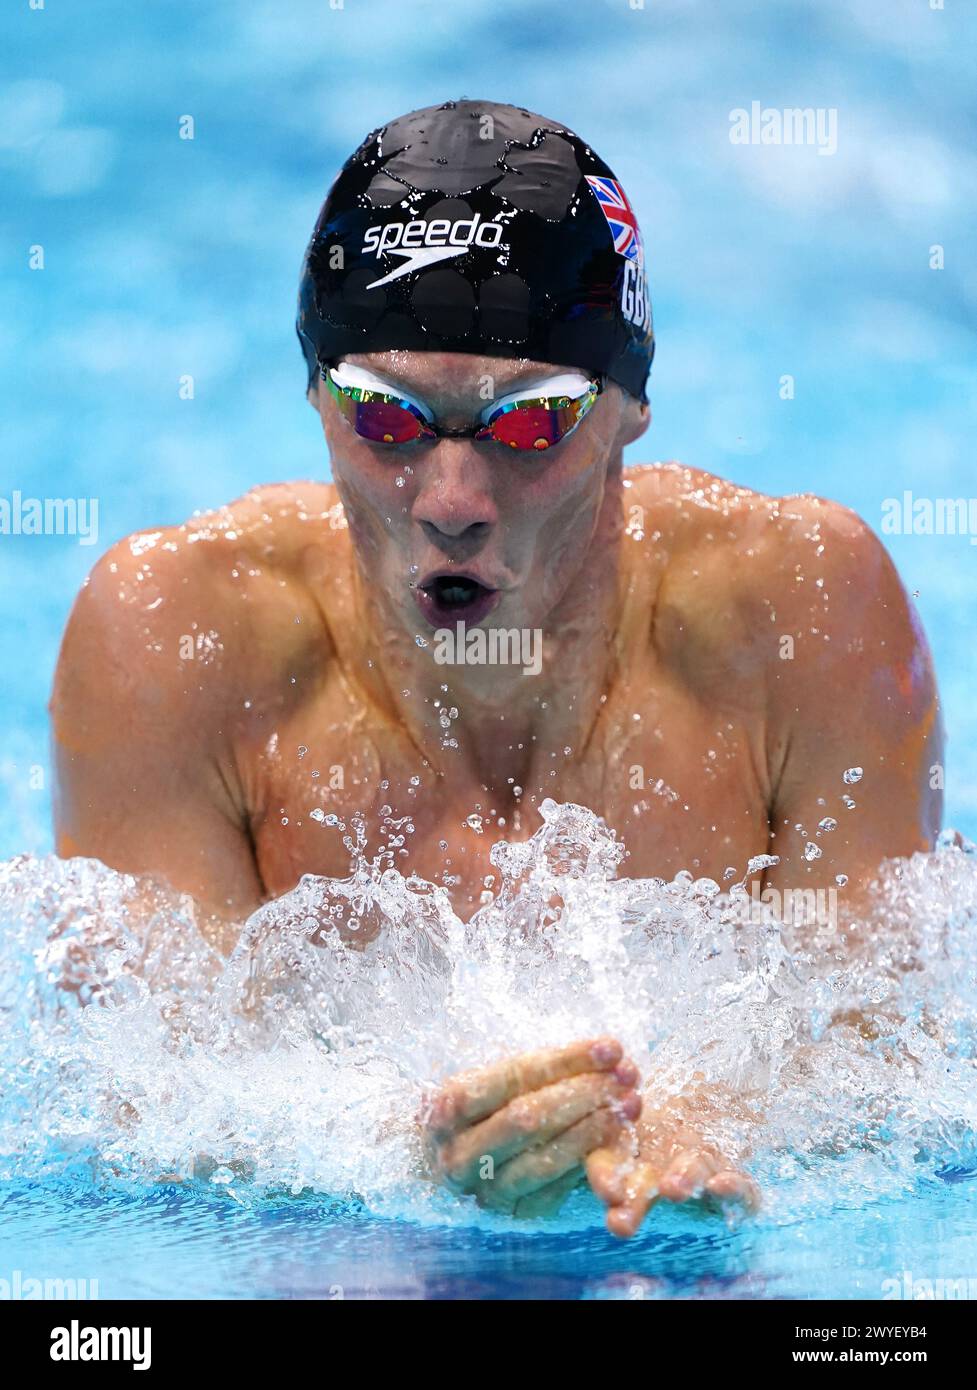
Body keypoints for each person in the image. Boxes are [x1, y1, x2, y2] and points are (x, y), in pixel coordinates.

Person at [51, 100, 942, 1235]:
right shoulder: (175, 637)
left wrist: (707, 1122)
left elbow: (894, 1059)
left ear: (627, 407)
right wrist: (399, 1155)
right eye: (386, 418)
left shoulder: (801, 612)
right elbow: (142, 1131)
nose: (451, 503)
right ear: (316, 396)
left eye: (526, 427)